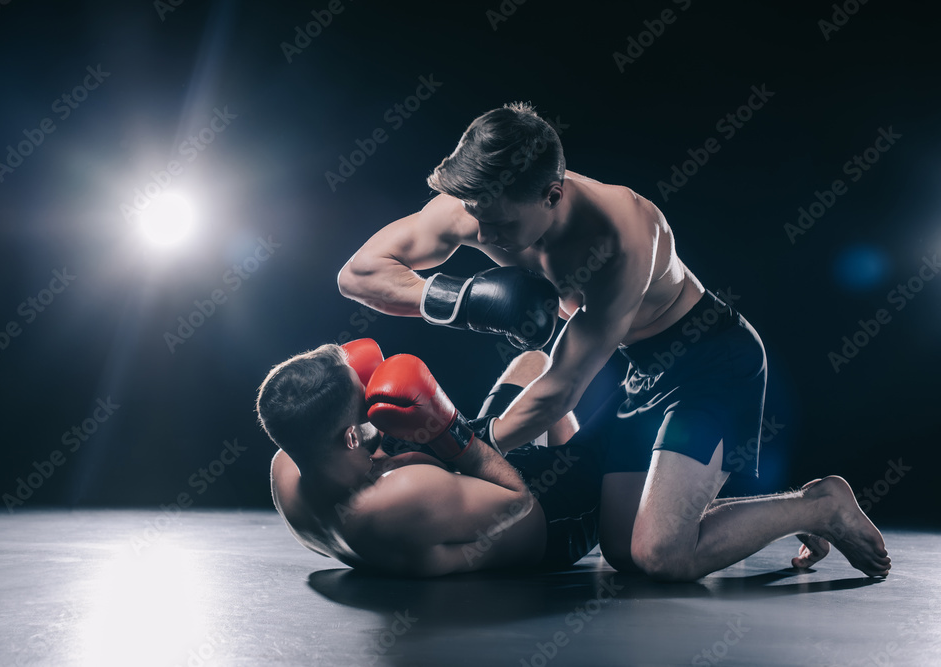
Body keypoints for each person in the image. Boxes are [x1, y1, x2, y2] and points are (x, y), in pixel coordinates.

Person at [336, 101, 890, 580]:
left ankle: (818, 506)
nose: (483, 237)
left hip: (710, 362)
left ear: (552, 194)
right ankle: (735, 501)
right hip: (638, 368)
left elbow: (562, 387)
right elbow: (358, 273)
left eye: (499, 226)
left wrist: (465, 445)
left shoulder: (622, 234)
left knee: (660, 555)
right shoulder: (477, 207)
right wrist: (461, 299)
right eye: (478, 219)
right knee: (624, 552)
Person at [257, 339, 606, 577]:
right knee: (616, 403)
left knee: (535, 363)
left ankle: (573, 457)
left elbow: (349, 446)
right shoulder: (401, 494)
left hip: (464, 490)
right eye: (362, 398)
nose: (369, 395)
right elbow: (519, 500)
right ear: (350, 436)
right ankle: (596, 483)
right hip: (553, 515)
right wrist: (446, 430)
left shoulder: (287, 467)